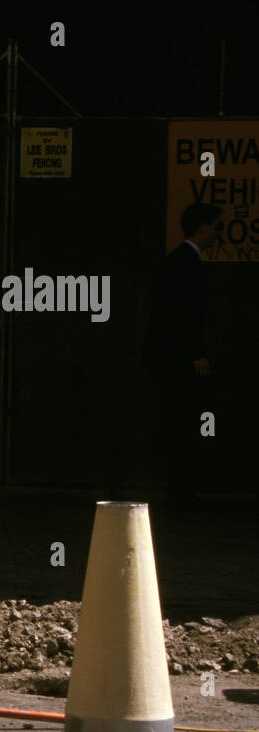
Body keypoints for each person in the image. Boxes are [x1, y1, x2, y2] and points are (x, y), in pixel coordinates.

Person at [151, 202, 221, 509]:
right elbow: (182, 314)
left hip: (172, 359)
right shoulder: (186, 263)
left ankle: (180, 491)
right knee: (183, 422)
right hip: (180, 361)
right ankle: (182, 493)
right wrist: (196, 352)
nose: (218, 233)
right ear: (202, 226)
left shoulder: (178, 261)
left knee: (179, 422)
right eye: (216, 226)